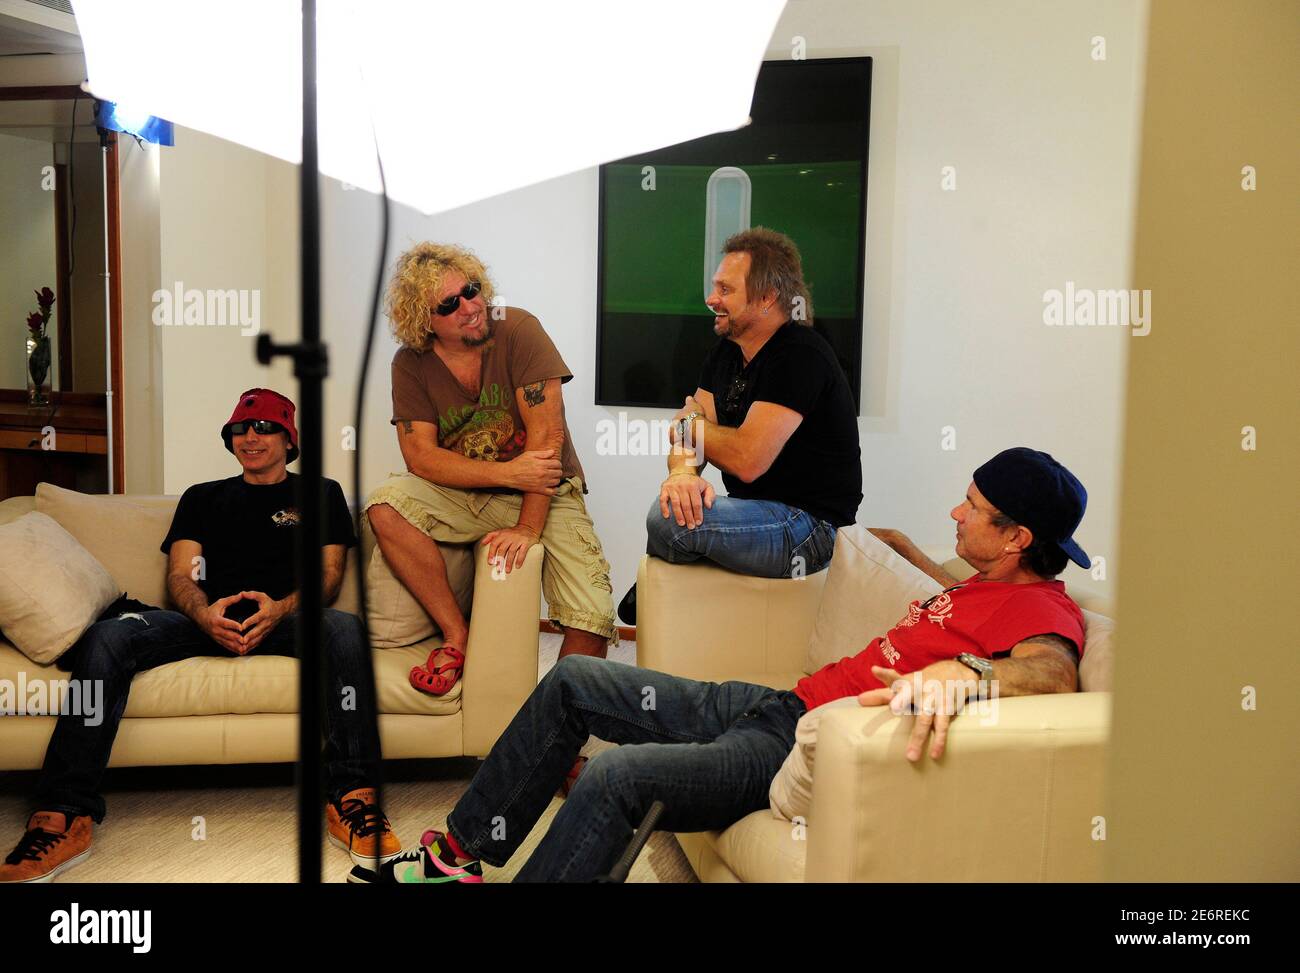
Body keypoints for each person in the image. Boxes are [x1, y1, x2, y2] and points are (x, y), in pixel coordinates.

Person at [361, 447, 1090, 883]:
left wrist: (970, 675)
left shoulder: (1046, 616)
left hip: (785, 749)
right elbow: (926, 568)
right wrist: (903, 548)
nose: (956, 514)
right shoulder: (983, 580)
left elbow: (1051, 673)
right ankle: (460, 852)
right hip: (775, 702)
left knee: (619, 772)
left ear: (1019, 536)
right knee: (576, 679)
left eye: (973, 507)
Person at [0, 388, 397, 883]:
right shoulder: (203, 497)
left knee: (343, 628)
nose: (250, 437)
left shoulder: (321, 493)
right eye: (240, 429)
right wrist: (205, 614)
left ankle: (353, 797)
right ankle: (64, 813)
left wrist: (278, 610)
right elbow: (181, 577)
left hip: (284, 618)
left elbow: (328, 576)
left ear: (288, 438)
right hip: (203, 620)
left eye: (264, 428)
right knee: (107, 637)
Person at [364, 242, 616, 699]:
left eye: (472, 290)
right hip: (471, 490)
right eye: (449, 304)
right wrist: (507, 475)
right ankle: (456, 635)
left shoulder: (518, 328)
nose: (470, 306)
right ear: (425, 321)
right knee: (385, 506)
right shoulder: (410, 363)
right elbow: (419, 457)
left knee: (593, 615)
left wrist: (527, 526)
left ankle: (553, 738)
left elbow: (546, 445)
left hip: (547, 489)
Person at [643, 227, 862, 586]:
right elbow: (689, 444)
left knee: (666, 520)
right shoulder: (724, 353)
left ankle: (648, 595)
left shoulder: (800, 354)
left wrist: (691, 424)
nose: (711, 299)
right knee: (673, 504)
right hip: (758, 512)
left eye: (725, 289)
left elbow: (748, 460)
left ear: (766, 297)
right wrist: (681, 474)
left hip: (810, 528)